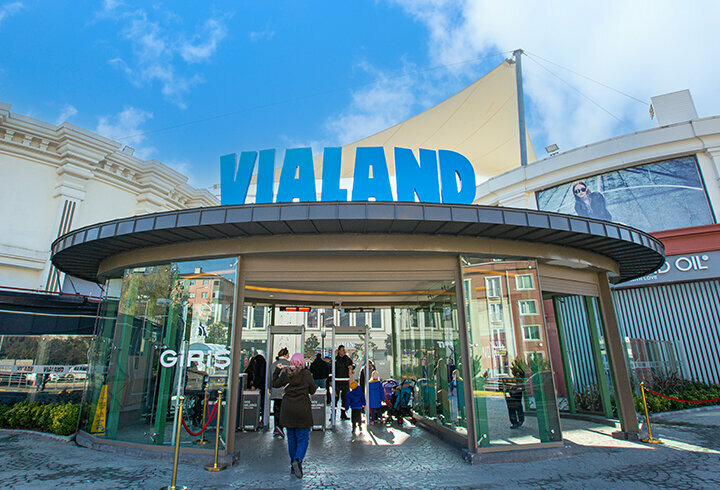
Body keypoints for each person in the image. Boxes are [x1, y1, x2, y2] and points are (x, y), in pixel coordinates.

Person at [272, 353, 317, 479]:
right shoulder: (306, 374)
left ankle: (293, 464)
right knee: (303, 437)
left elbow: (275, 383)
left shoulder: (286, 373)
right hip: (302, 409)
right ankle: (298, 460)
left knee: (291, 438)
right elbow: (313, 390)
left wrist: (277, 370)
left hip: (288, 409)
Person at [270, 348, 290, 437]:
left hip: (275, 390)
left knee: (276, 409)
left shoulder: (274, 364)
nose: (289, 356)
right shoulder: (289, 364)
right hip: (285, 390)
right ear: (285, 355)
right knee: (284, 410)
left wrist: (269, 387)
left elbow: (271, 377)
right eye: (288, 354)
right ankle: (281, 427)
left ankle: (276, 427)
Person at [334, 345, 354, 420]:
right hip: (337, 382)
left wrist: (352, 367)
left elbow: (352, 364)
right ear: (339, 351)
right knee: (335, 398)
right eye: (342, 350)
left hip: (345, 382)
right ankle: (333, 414)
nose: (344, 351)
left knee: (344, 399)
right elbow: (331, 369)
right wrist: (330, 380)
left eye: (344, 350)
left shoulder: (347, 359)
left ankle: (343, 414)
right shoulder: (335, 360)